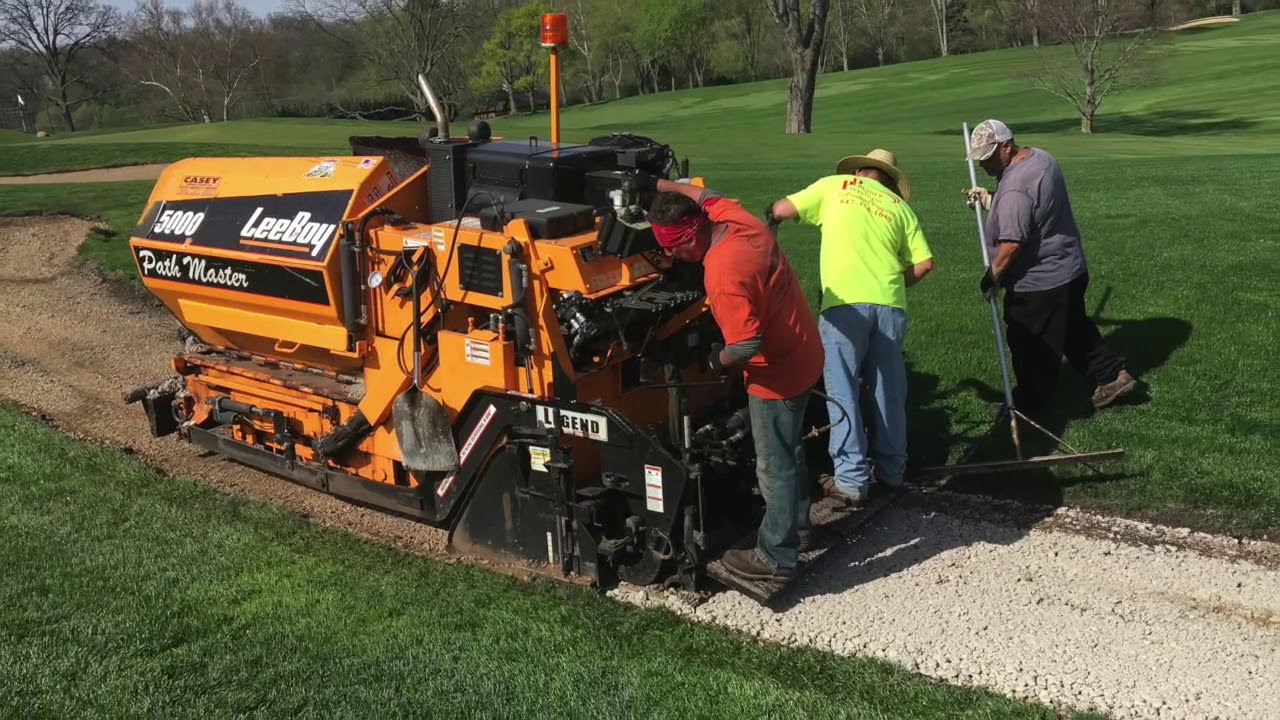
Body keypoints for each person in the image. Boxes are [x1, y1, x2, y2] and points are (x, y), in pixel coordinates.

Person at [635, 172, 824, 583]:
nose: (670, 256)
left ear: (689, 239)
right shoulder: (737, 221)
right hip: (805, 349)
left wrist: (713, 361)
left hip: (777, 376)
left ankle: (776, 557)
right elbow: (706, 194)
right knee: (790, 448)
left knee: (773, 467)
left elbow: (745, 345)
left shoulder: (721, 272)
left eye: (671, 249)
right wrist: (663, 185)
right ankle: (799, 528)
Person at [768, 149, 934, 508]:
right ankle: (892, 471)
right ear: (889, 181)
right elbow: (924, 264)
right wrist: (892, 282)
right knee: (888, 392)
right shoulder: (900, 208)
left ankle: (851, 480)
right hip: (890, 306)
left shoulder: (835, 185)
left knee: (842, 390)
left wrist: (769, 217)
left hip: (843, 305)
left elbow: (781, 209)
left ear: (859, 171)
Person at [964, 119, 1136, 416]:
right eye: (979, 159)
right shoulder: (1041, 158)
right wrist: (992, 199)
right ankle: (1112, 377)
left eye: (988, 157)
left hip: (1038, 284)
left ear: (1007, 147)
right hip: (1069, 268)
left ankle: (1029, 407)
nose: (983, 165)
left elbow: (1012, 244)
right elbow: (1035, 211)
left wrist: (992, 277)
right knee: (1071, 328)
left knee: (1030, 346)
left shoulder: (1015, 188)